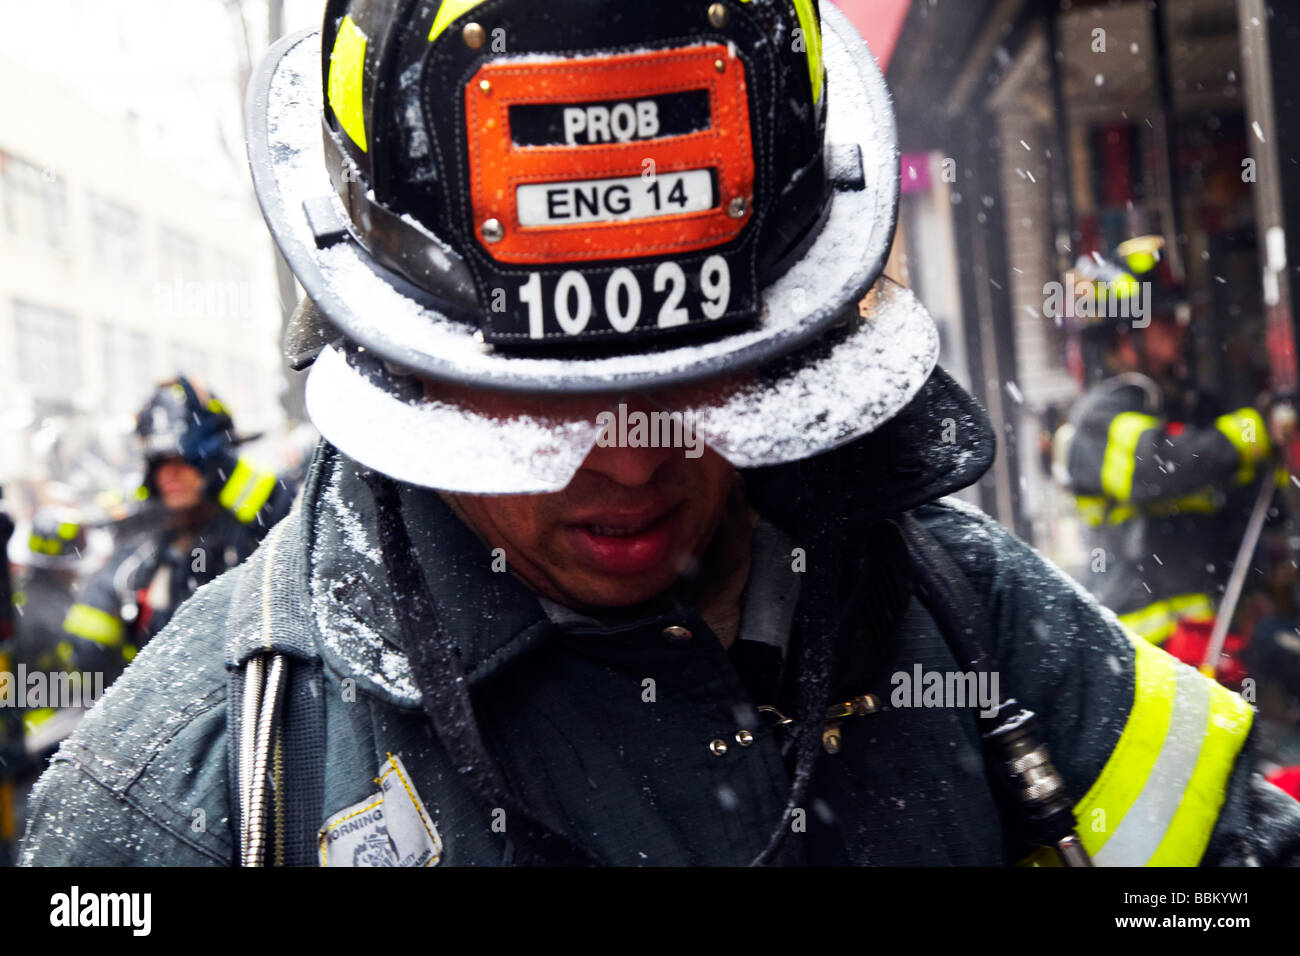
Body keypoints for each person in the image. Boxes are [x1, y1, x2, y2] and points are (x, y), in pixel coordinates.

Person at [21, 0, 1300, 867]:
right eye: (539, 401)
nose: (632, 457)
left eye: (702, 380)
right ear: (395, 356)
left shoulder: (965, 617)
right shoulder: (195, 793)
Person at [1057, 238, 1283, 650]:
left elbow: (1238, 500)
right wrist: (1252, 433)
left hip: (1209, 639)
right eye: (1161, 321)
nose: (1178, 329)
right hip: (1144, 653)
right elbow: (1157, 467)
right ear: (1126, 337)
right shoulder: (1099, 418)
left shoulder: (1187, 406)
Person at [56, 377, 294, 682]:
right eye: (160, 462)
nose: (170, 473)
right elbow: (89, 650)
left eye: (183, 459)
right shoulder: (142, 540)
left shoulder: (263, 520)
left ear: (214, 458)